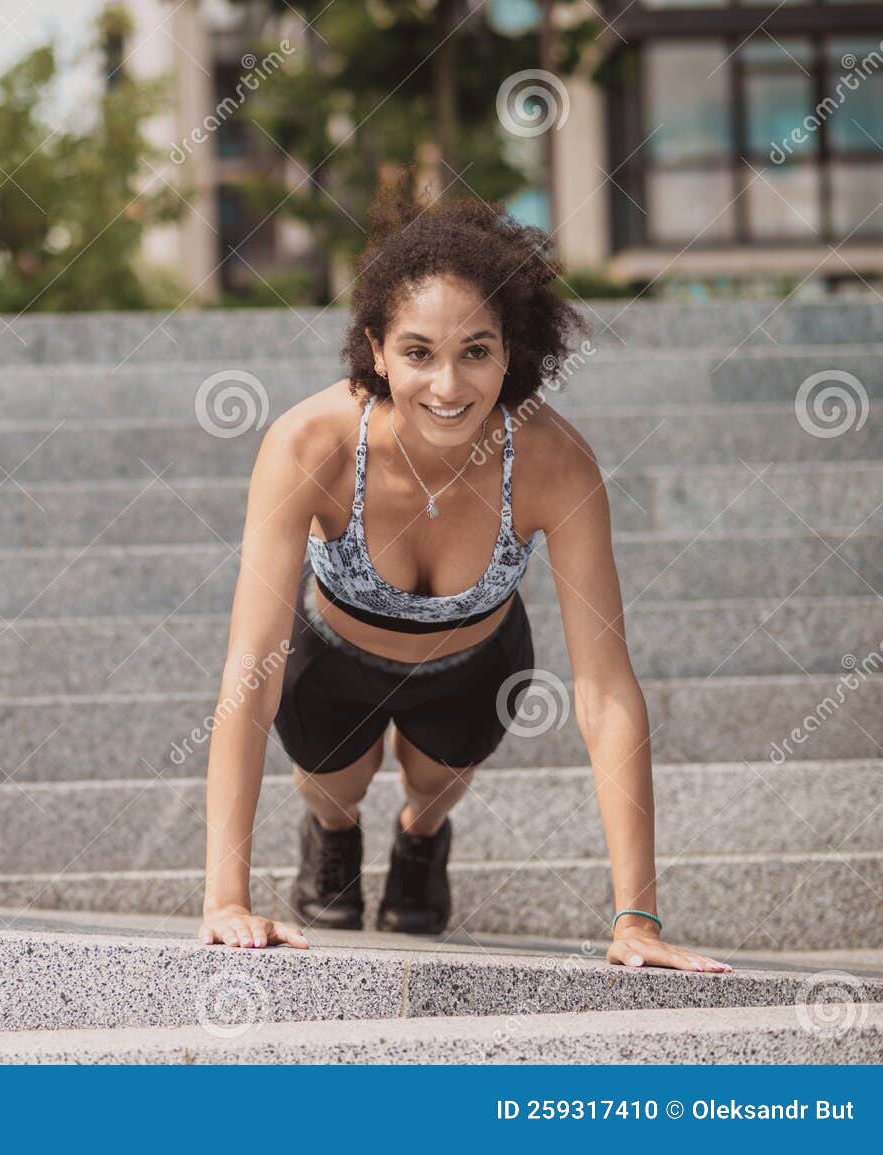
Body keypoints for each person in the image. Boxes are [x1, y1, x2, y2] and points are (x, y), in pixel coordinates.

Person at [197, 180, 731, 973]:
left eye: (475, 351)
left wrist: (638, 919)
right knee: (333, 787)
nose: (448, 388)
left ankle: (420, 839)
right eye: (418, 352)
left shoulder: (556, 463)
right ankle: (334, 837)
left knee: (433, 784)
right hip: (332, 663)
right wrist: (225, 900)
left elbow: (606, 689)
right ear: (377, 348)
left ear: (511, 350)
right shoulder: (309, 444)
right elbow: (250, 670)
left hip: (472, 665)